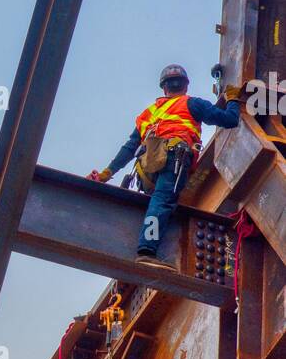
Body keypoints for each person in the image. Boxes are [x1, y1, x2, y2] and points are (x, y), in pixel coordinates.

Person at [87, 64, 243, 269]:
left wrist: (108, 173)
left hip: (147, 167)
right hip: (174, 159)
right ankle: (146, 251)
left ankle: (147, 241)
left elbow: (129, 148)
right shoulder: (192, 104)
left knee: (156, 200)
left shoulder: (148, 114)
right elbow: (230, 120)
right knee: (162, 201)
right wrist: (233, 100)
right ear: (185, 86)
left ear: (164, 88)